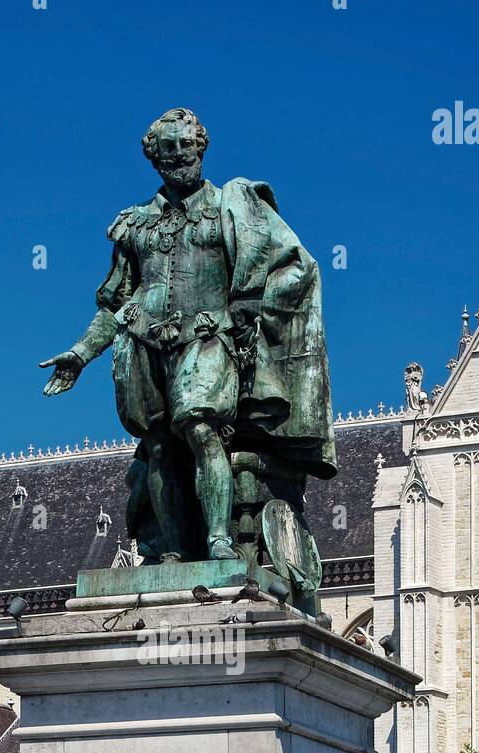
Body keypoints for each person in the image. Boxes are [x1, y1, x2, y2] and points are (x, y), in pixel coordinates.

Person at [42, 108, 335, 564]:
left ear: (201, 148)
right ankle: (173, 551)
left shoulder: (232, 207)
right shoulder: (135, 224)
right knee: (157, 446)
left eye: (185, 146)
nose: (178, 156)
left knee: (201, 428)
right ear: (153, 159)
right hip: (142, 343)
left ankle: (219, 539)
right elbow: (114, 303)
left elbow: (297, 265)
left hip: (207, 336)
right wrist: (81, 354)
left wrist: (249, 309)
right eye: (167, 149)